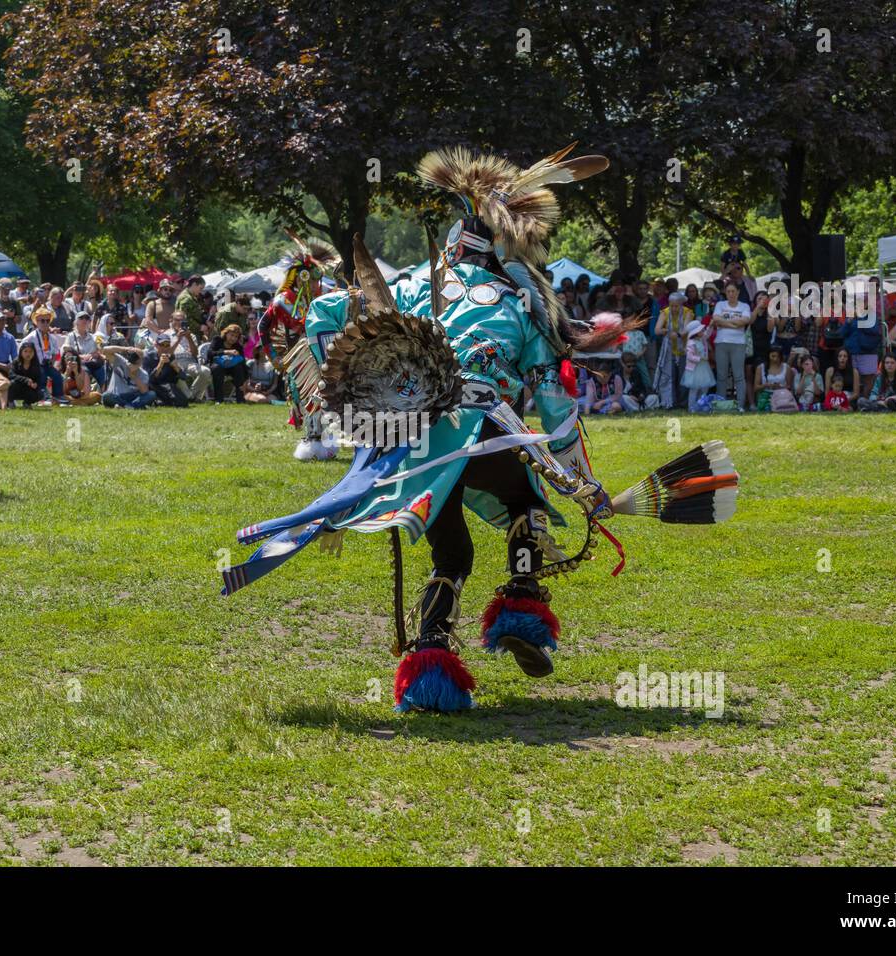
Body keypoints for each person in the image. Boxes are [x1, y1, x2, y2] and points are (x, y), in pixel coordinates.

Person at [219, 145, 738, 715]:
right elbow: (555, 404)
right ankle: (520, 604)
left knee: (451, 557)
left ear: (449, 246)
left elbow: (320, 319)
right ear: (500, 249)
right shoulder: (522, 302)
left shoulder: (413, 283)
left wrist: (340, 401)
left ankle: (432, 668)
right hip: (486, 422)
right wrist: (579, 479)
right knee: (526, 504)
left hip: (417, 439)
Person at [257, 235, 342, 458]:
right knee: (307, 398)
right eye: (314, 281)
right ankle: (312, 443)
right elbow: (263, 326)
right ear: (302, 278)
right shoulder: (284, 300)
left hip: (322, 355)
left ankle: (324, 441)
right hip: (300, 357)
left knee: (325, 397)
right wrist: (272, 355)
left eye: (318, 281)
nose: (317, 285)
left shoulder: (318, 299)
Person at [710, 280, 750, 407]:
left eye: (733, 291)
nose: (731, 294)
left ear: (738, 292)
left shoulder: (744, 306)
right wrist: (734, 324)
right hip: (721, 343)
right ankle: (721, 405)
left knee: (739, 376)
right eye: (728, 291)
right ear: (725, 293)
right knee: (722, 376)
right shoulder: (720, 305)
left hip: (738, 344)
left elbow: (745, 320)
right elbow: (716, 319)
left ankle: (740, 406)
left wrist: (724, 322)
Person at [652, 291, 691, 409]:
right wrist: (663, 331)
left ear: (681, 304)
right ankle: (670, 402)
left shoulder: (687, 312)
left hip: (683, 349)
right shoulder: (665, 313)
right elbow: (656, 330)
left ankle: (683, 403)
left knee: (683, 377)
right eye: (672, 305)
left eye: (676, 306)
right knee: (669, 376)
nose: (674, 308)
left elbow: (686, 329)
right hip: (668, 350)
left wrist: (678, 335)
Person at [164, 311, 211, 402]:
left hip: (189, 362)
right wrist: (178, 339)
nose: (179, 323)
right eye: (177, 320)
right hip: (174, 362)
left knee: (206, 371)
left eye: (182, 320)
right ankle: (192, 398)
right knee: (177, 373)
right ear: (171, 320)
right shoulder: (166, 335)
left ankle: (191, 396)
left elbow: (195, 354)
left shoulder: (191, 335)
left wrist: (189, 338)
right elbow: (167, 353)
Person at [20, 308, 64, 398]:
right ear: (36, 322)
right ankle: (42, 396)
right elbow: (22, 353)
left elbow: (55, 353)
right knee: (41, 374)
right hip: (34, 365)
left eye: (47, 321)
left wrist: (52, 362)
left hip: (47, 364)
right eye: (42, 321)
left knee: (57, 375)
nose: (45, 323)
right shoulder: (30, 338)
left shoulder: (52, 338)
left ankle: (58, 396)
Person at [62, 312, 108, 389]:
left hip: (93, 363)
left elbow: (100, 351)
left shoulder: (93, 337)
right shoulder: (70, 336)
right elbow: (66, 350)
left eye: (87, 318)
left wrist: (93, 355)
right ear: (76, 322)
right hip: (78, 364)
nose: (84, 320)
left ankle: (103, 393)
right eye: (81, 318)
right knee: (84, 370)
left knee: (103, 370)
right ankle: (86, 393)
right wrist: (81, 356)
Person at [210, 323, 249, 403]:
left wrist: (246, 379)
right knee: (217, 369)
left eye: (236, 337)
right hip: (218, 364)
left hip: (232, 367)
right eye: (231, 335)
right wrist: (226, 352)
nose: (233, 338)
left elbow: (242, 361)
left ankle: (240, 399)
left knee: (239, 368)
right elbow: (210, 353)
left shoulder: (238, 345)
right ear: (226, 333)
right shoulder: (217, 339)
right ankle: (219, 400)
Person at [753, 344, 794, 412]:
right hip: (765, 396)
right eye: (773, 356)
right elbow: (755, 388)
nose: (775, 359)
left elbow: (789, 387)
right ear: (768, 355)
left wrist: (780, 387)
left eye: (778, 356)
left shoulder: (786, 367)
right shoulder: (760, 368)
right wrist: (766, 385)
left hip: (781, 397)